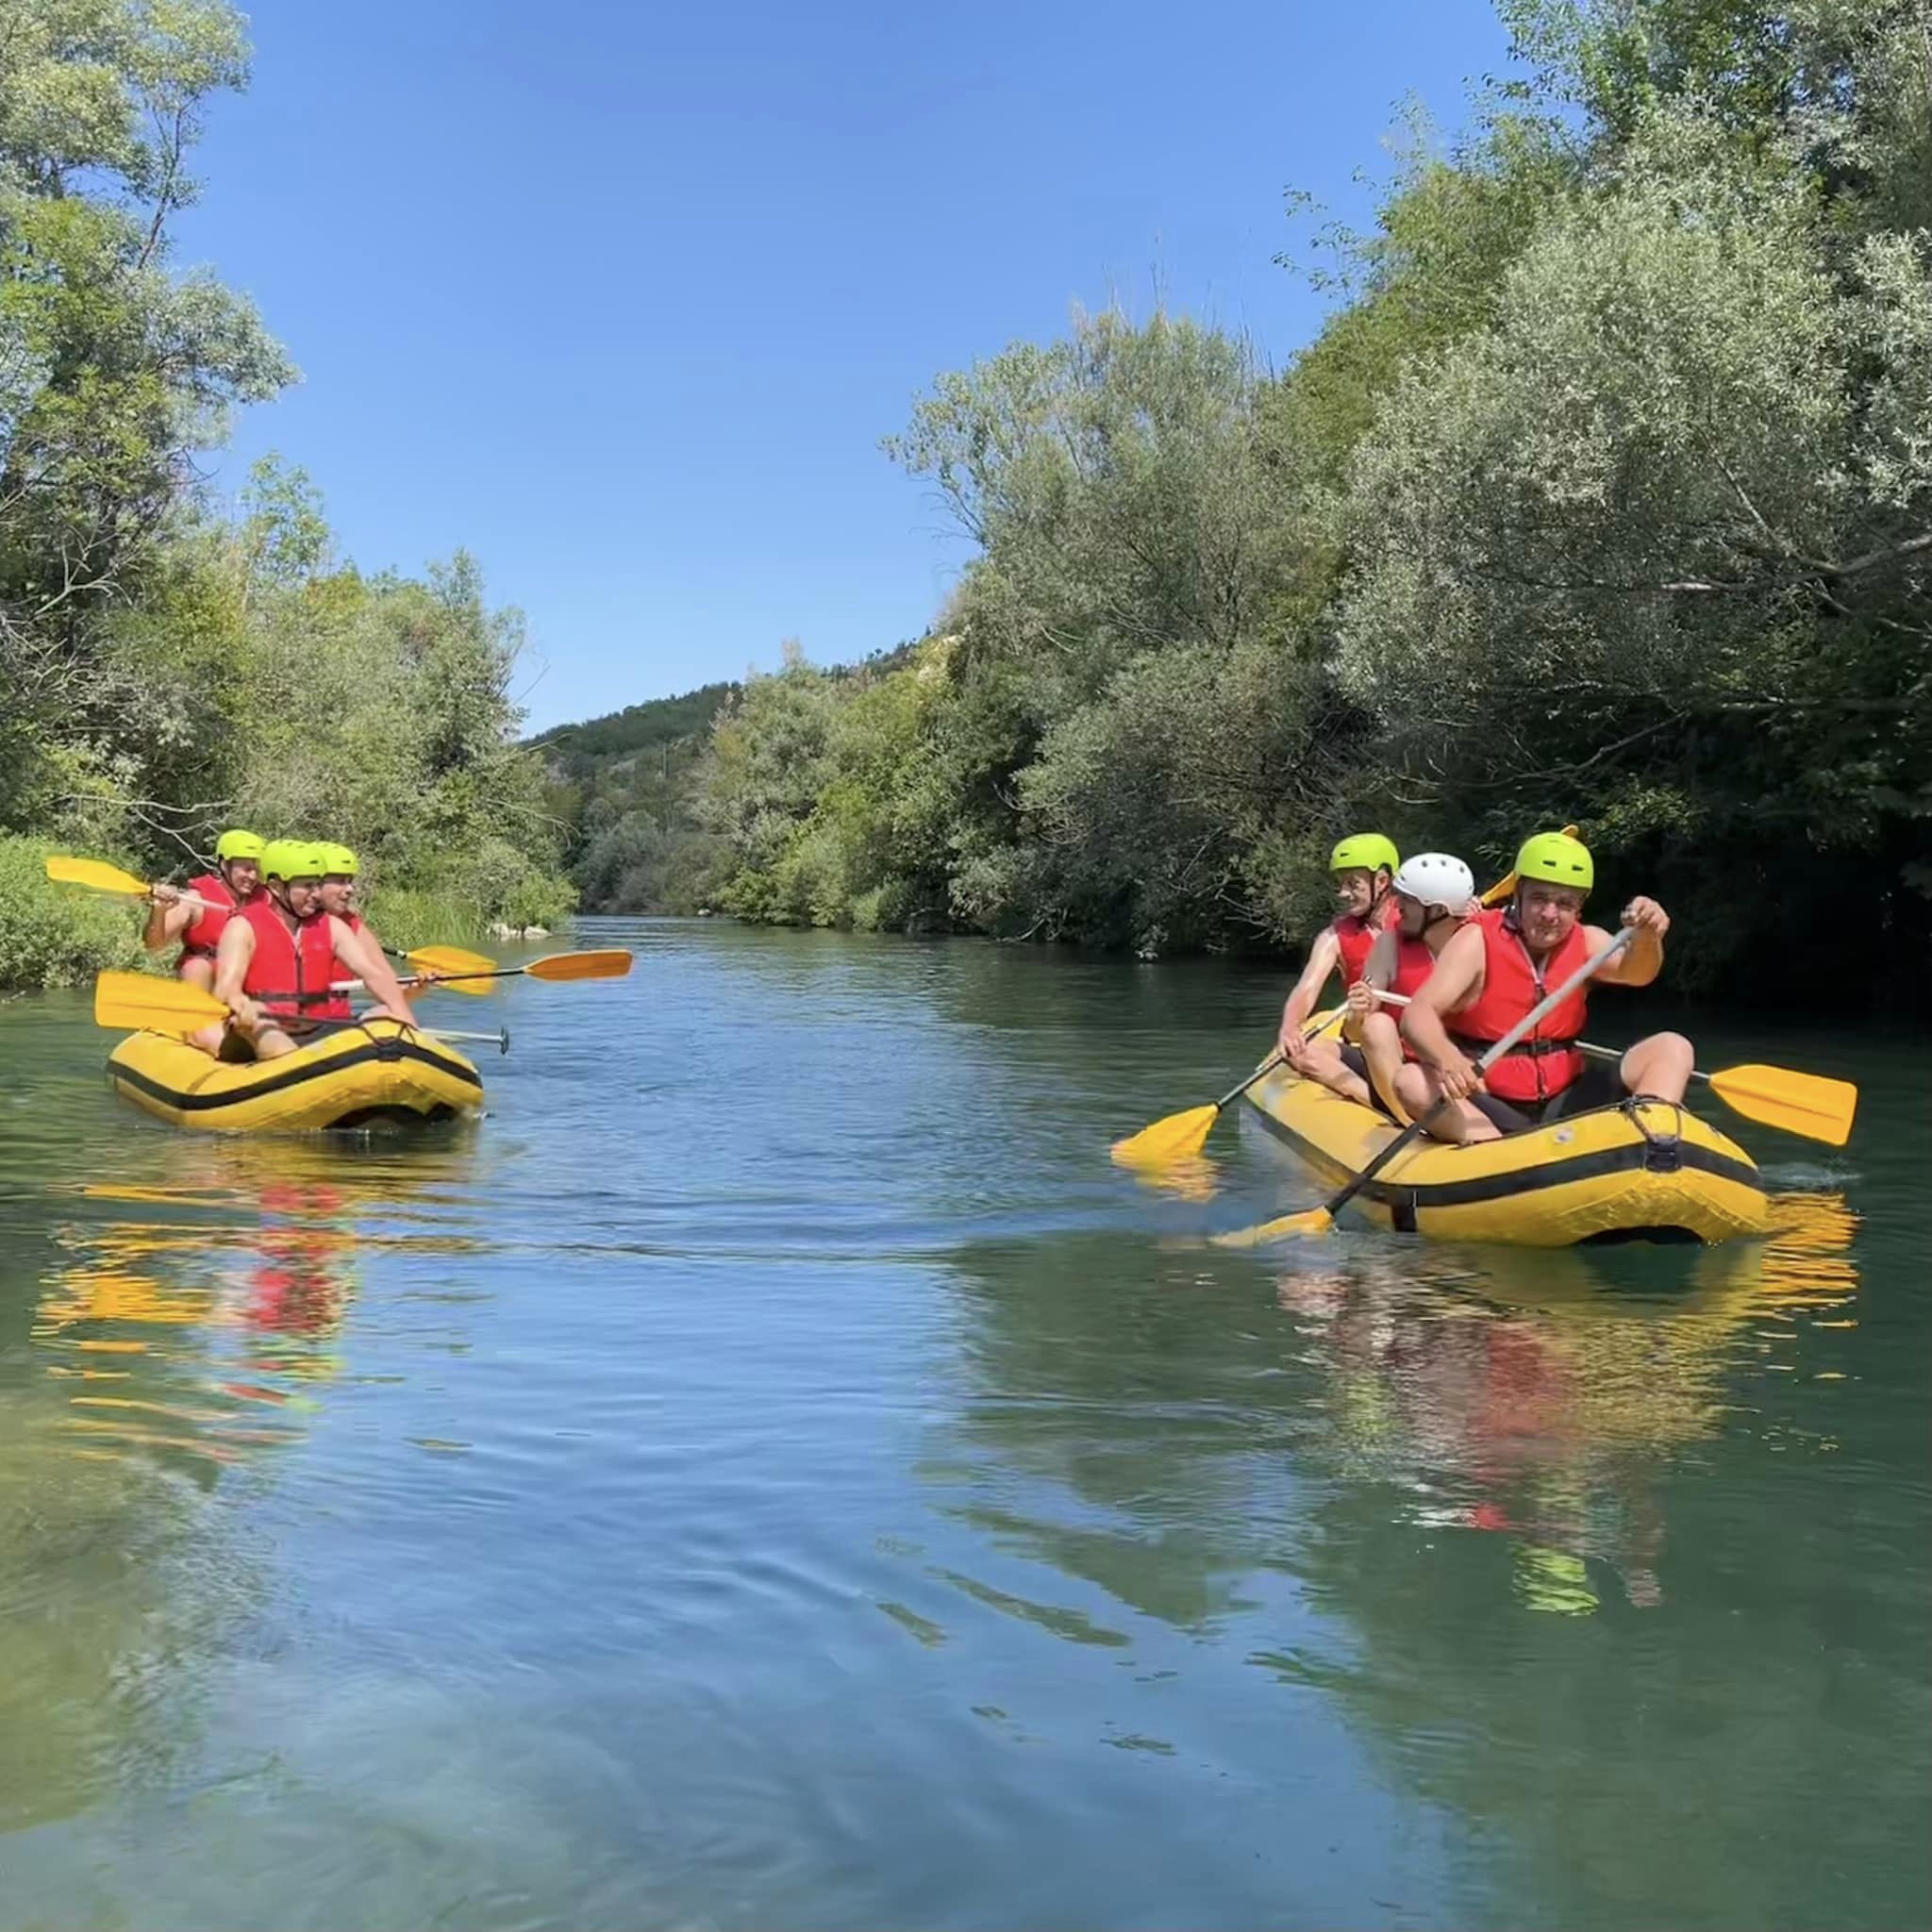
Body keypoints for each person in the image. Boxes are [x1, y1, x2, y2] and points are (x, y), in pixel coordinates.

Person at [1397, 831, 1688, 1142]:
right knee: (1410, 1080)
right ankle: (1495, 1154)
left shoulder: (1587, 941)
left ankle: (1652, 1145)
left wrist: (1647, 936)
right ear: (1518, 894)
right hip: (1490, 1102)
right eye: (1539, 898)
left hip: (1565, 1099)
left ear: (1579, 907)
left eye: (1564, 903)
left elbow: (1638, 973)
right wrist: (1448, 1059)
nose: (1550, 914)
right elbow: (1418, 1012)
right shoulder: (1477, 939)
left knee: (1672, 1046)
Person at [208, 840, 418, 1061]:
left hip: (319, 1031)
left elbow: (373, 974)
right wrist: (243, 1005)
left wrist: (401, 1014)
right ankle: (295, 1069)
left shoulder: (332, 926)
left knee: (386, 1016)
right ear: (276, 886)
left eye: (318, 885)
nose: (317, 894)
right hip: (258, 1032)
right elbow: (226, 989)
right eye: (307, 886)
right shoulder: (243, 926)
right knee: (263, 1020)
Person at [1337, 852, 1476, 1124]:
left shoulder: (1480, 944)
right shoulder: (1389, 944)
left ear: (1437, 911)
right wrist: (1357, 1012)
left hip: (1465, 1069)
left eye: (1408, 901)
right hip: (1407, 1069)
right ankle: (1408, 1123)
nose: (1396, 906)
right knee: (1376, 1025)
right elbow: (1355, 1034)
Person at [1274, 834, 1400, 1095]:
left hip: (1409, 1040)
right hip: (1363, 1038)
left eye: (1353, 884)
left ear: (1382, 881)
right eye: (1341, 884)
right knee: (1296, 1052)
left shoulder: (1416, 920)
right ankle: (1368, 1096)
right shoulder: (1333, 937)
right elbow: (1306, 989)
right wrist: (1289, 1028)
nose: (1343, 893)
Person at [144, 830, 263, 991]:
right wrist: (159, 909)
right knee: (196, 968)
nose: (253, 877)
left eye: (257, 870)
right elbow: (153, 944)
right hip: (206, 987)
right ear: (224, 865)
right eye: (247, 869)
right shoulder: (196, 900)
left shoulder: (263, 901)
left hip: (247, 990)